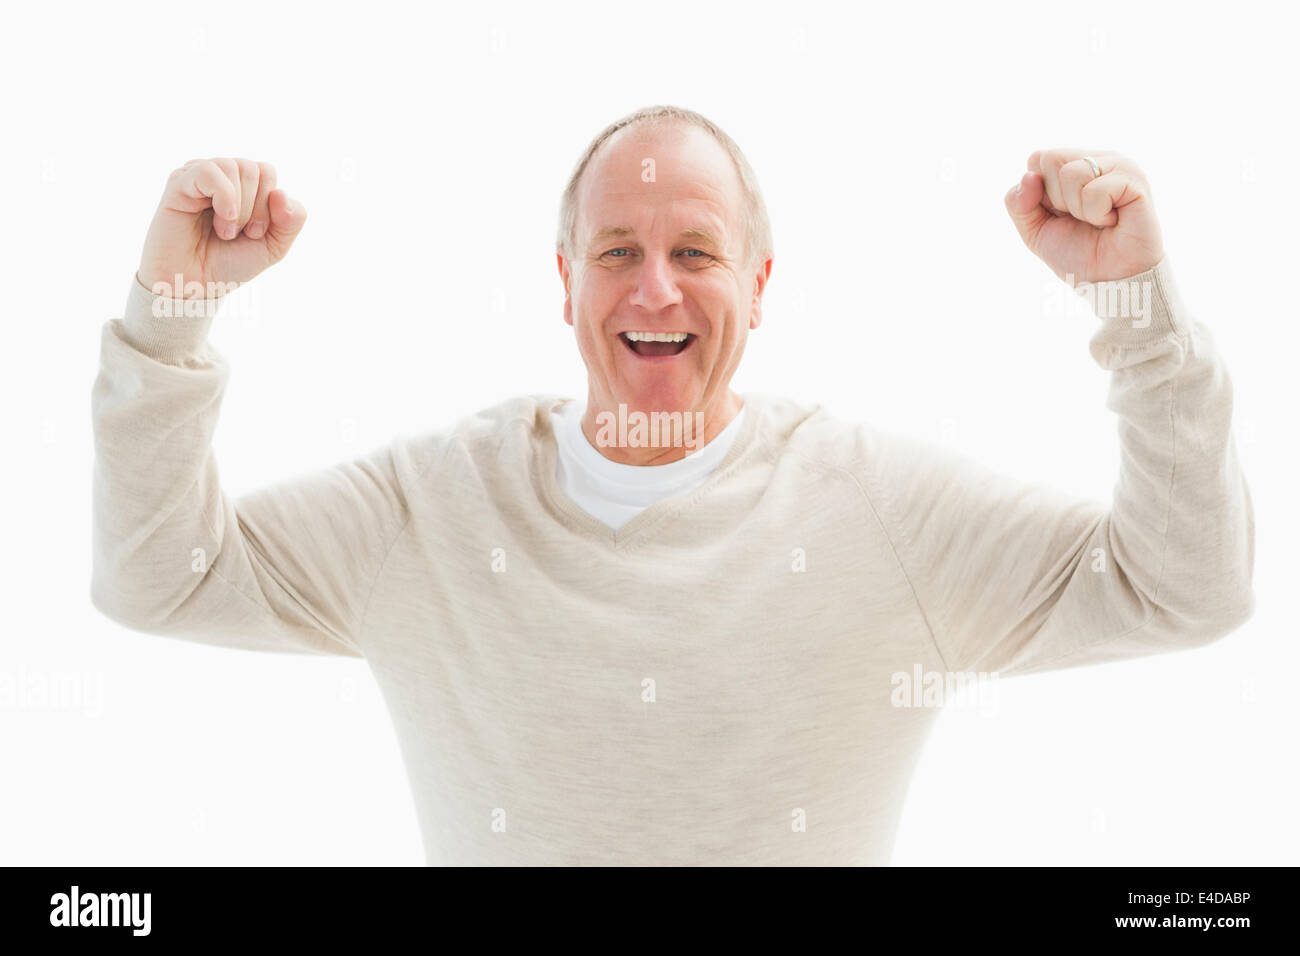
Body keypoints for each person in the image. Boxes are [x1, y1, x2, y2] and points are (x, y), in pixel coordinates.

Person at [91, 105, 1255, 865]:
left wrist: (1136, 310)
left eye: (694, 251)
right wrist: (171, 314)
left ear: (756, 283)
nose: (654, 290)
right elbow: (160, 580)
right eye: (616, 253)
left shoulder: (879, 511)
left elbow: (1183, 587)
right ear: (563, 282)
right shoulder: (430, 506)